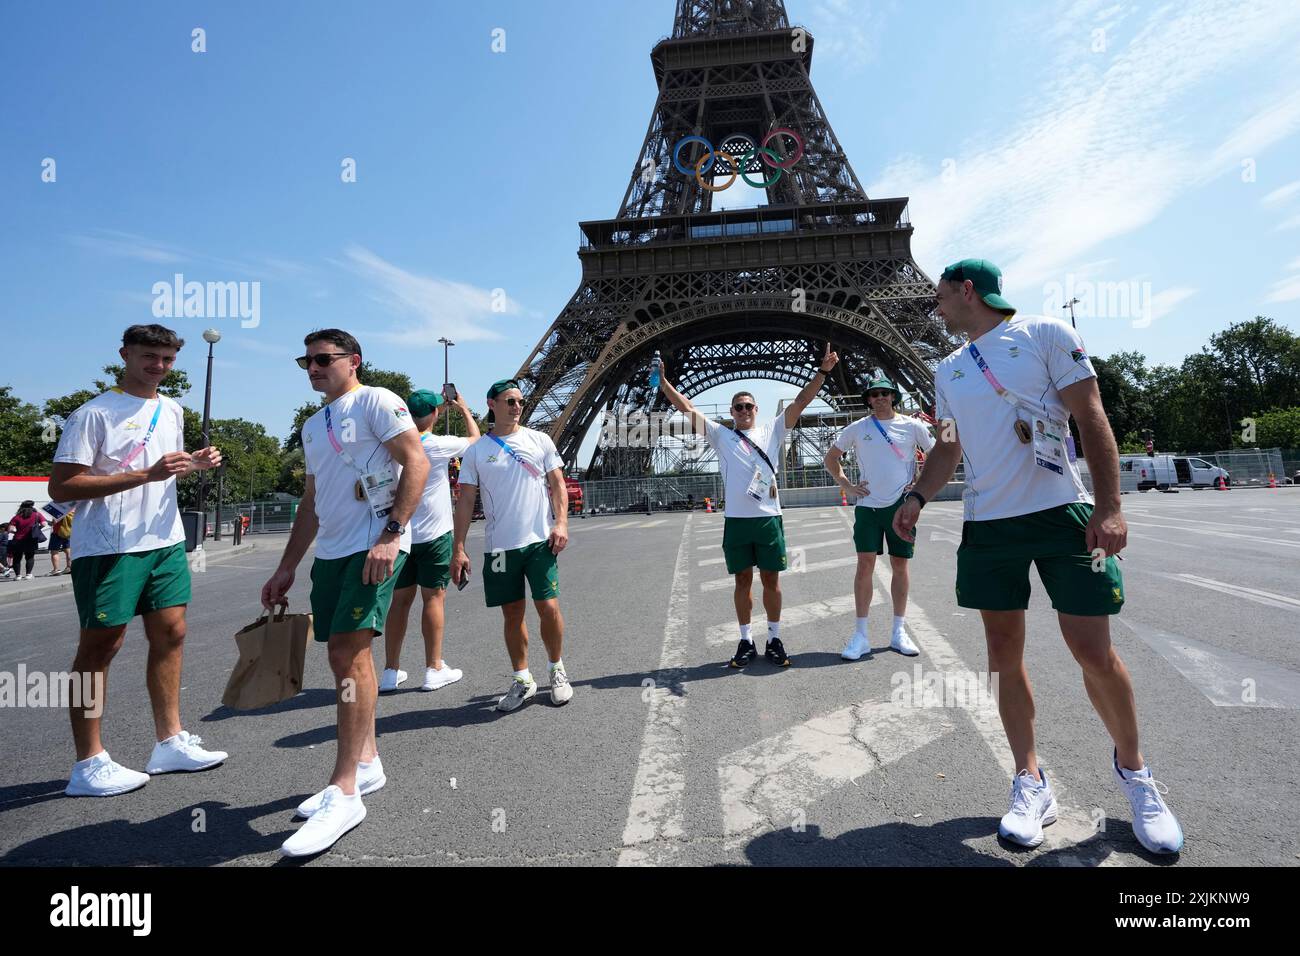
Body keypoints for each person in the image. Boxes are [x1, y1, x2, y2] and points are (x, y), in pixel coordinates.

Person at [893, 259, 1183, 854]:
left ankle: (1136, 775)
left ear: (966, 290)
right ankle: (1030, 779)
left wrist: (1110, 508)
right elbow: (948, 449)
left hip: (1062, 516)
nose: (936, 308)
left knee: (1094, 652)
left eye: (941, 297)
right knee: (1002, 654)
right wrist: (918, 494)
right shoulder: (947, 369)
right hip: (989, 524)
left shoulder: (1047, 334)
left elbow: (1091, 417)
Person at [261, 329, 429, 857]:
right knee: (343, 664)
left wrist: (391, 533)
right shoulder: (314, 425)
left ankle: (344, 789)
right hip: (332, 554)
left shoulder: (378, 400)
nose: (312, 367)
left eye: (322, 359)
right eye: (305, 360)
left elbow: (417, 462)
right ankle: (368, 761)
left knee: (347, 654)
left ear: (353, 361)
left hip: (372, 546)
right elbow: (311, 501)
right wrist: (287, 566)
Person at [48, 324, 227, 797]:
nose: (159, 366)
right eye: (150, 356)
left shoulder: (172, 409)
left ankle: (169, 742)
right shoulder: (93, 414)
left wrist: (195, 464)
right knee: (101, 647)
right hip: (109, 546)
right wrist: (144, 475)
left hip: (164, 541)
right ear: (125, 354)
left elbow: (165, 469)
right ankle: (88, 763)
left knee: (172, 634)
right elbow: (63, 487)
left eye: (167, 359)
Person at [659, 343, 840, 668]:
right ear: (732, 412)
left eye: (749, 406)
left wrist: (823, 372)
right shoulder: (720, 436)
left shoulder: (774, 429)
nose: (744, 411)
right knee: (742, 581)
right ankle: (745, 640)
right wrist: (663, 384)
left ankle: (774, 637)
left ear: (757, 409)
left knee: (772, 580)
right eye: (738, 407)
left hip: (769, 518)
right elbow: (686, 407)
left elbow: (802, 400)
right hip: (738, 521)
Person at [450, 380, 573, 712]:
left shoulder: (540, 440)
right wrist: (457, 547)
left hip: (539, 541)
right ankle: (523, 679)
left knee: (548, 608)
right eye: (509, 401)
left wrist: (560, 522)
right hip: (500, 547)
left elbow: (558, 483)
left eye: (520, 401)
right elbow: (464, 502)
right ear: (492, 404)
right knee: (512, 613)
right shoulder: (476, 451)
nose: (517, 406)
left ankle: (556, 669)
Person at [824, 376, 935, 660]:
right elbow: (831, 458)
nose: (881, 397)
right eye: (875, 394)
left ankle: (898, 630)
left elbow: (938, 455)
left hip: (901, 505)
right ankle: (861, 635)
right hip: (868, 506)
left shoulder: (913, 426)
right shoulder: (857, 429)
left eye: (886, 393)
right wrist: (847, 485)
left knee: (900, 565)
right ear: (869, 399)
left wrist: (919, 486)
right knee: (865, 565)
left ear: (893, 397)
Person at [379, 387, 480, 693]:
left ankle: (390, 670)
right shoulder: (436, 444)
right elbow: (475, 441)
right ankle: (433, 667)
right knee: (433, 599)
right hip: (435, 534)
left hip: (401, 534)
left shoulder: (393, 444)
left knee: (399, 602)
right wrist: (462, 408)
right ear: (436, 413)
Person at [6, 502, 47, 580]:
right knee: (30, 557)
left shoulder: (17, 517)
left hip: (18, 539)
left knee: (17, 557)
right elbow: (44, 524)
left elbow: (10, 529)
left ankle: (18, 576)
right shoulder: (37, 515)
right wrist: (37, 529)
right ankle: (28, 575)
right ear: (32, 507)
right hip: (31, 538)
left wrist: (16, 532)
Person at [46, 507, 75, 575]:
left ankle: (56, 569)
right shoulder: (73, 509)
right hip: (69, 532)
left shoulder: (58, 509)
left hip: (57, 533)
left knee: (54, 551)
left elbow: (54, 522)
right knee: (68, 551)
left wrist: (49, 522)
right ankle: (69, 567)